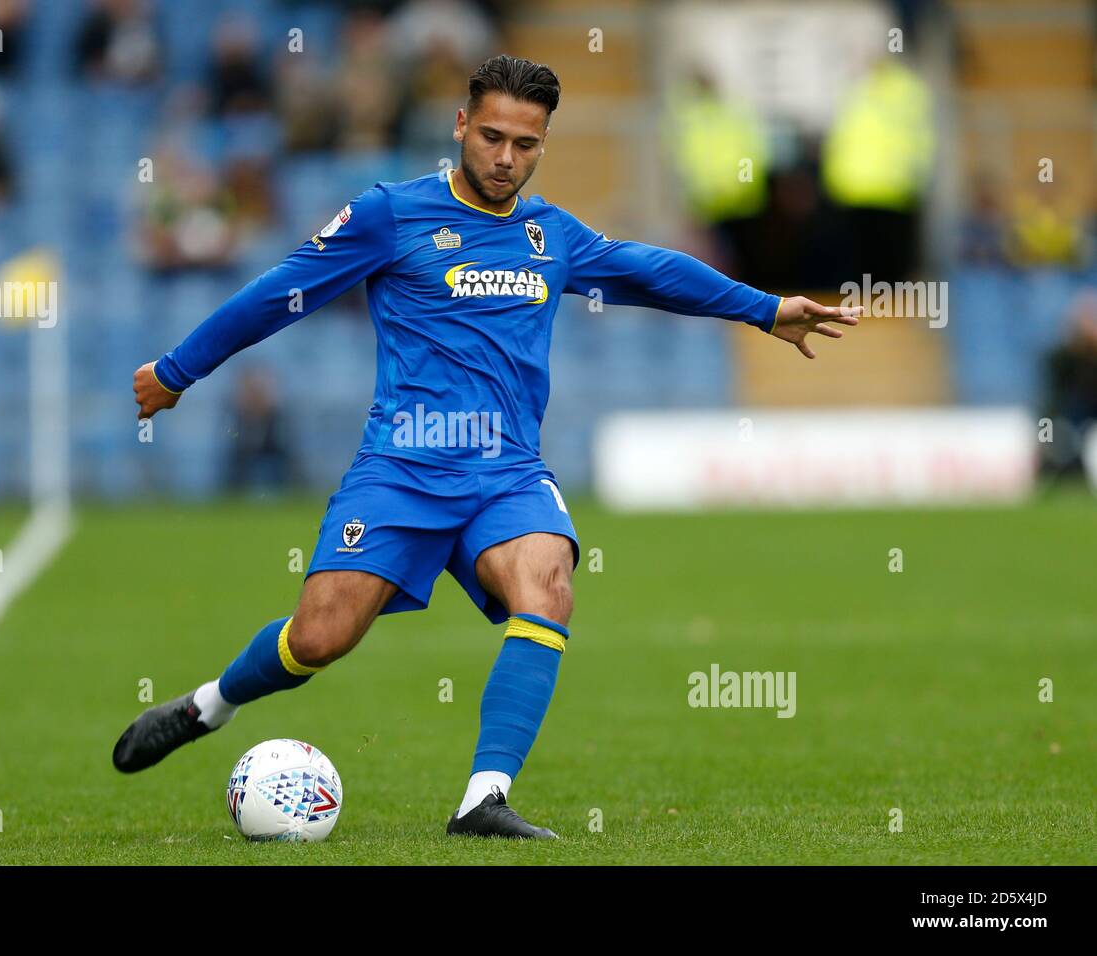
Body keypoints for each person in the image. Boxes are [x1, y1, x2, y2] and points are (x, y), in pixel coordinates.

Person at [113, 55, 860, 839]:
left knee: (549, 584)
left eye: (526, 145)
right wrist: (177, 370)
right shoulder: (389, 215)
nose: (506, 159)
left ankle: (483, 798)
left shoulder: (551, 236)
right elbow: (280, 292)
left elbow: (646, 271)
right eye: (493, 137)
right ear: (461, 126)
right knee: (318, 639)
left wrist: (765, 308)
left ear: (542, 146)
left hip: (506, 475)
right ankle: (208, 706)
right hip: (400, 469)